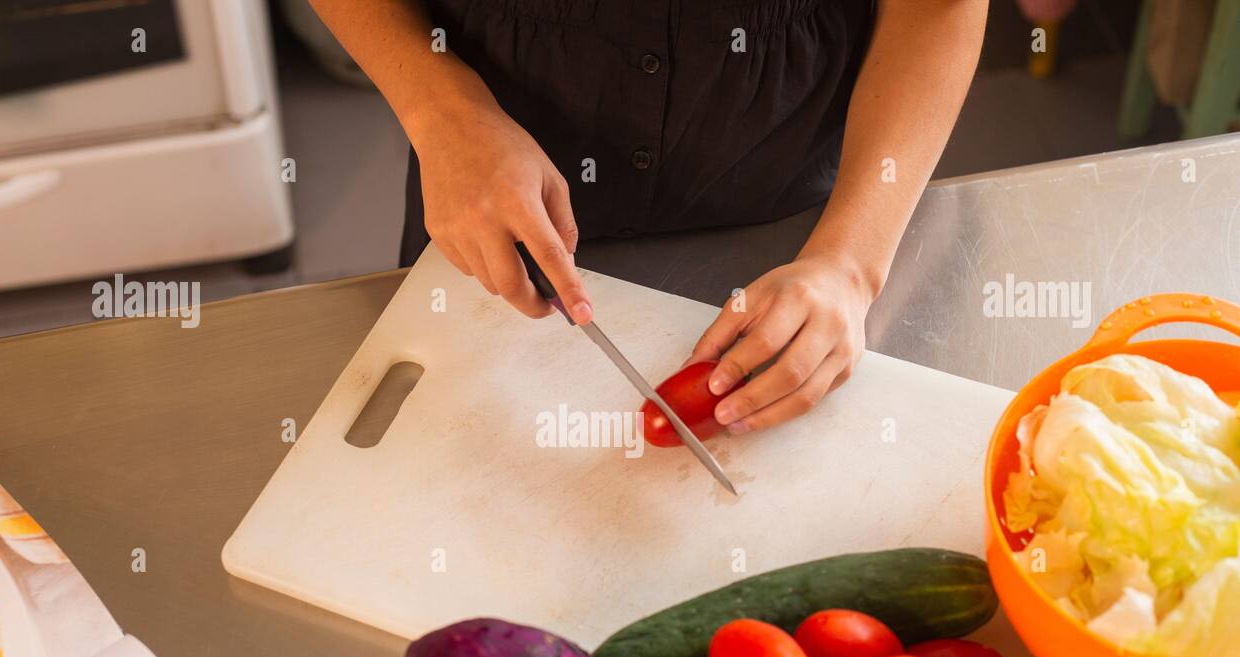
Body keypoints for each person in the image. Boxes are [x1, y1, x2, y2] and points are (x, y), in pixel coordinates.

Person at [312, 0, 987, 433]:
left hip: (796, 220)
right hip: (486, 176)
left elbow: (938, 8)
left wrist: (851, 263)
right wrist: (441, 111)